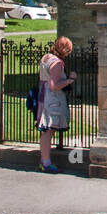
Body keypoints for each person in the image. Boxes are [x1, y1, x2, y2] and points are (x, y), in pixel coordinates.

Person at [37, 36, 76, 173]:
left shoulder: (46, 57)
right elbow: (54, 85)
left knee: (46, 131)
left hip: (44, 96)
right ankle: (46, 162)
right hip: (52, 99)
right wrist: (70, 80)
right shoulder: (57, 64)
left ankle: (44, 160)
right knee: (48, 130)